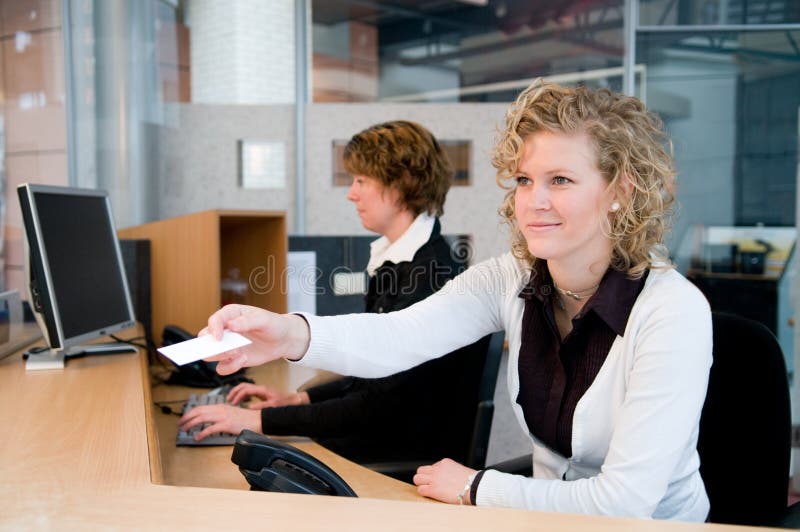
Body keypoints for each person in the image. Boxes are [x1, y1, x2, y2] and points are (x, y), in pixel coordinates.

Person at [199, 82, 712, 521]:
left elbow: (624, 504)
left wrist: (476, 487)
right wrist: (288, 333)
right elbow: (399, 336)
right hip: (549, 522)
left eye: (561, 180)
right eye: (524, 180)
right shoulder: (510, 278)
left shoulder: (672, 312)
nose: (533, 201)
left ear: (621, 189)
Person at [180, 120, 489, 471]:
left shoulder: (430, 275)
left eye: (361, 181)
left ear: (400, 184)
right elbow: (372, 371)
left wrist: (260, 422)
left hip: (398, 455)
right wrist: (299, 398)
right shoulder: (406, 260)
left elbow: (378, 405)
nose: (351, 193)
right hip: (379, 435)